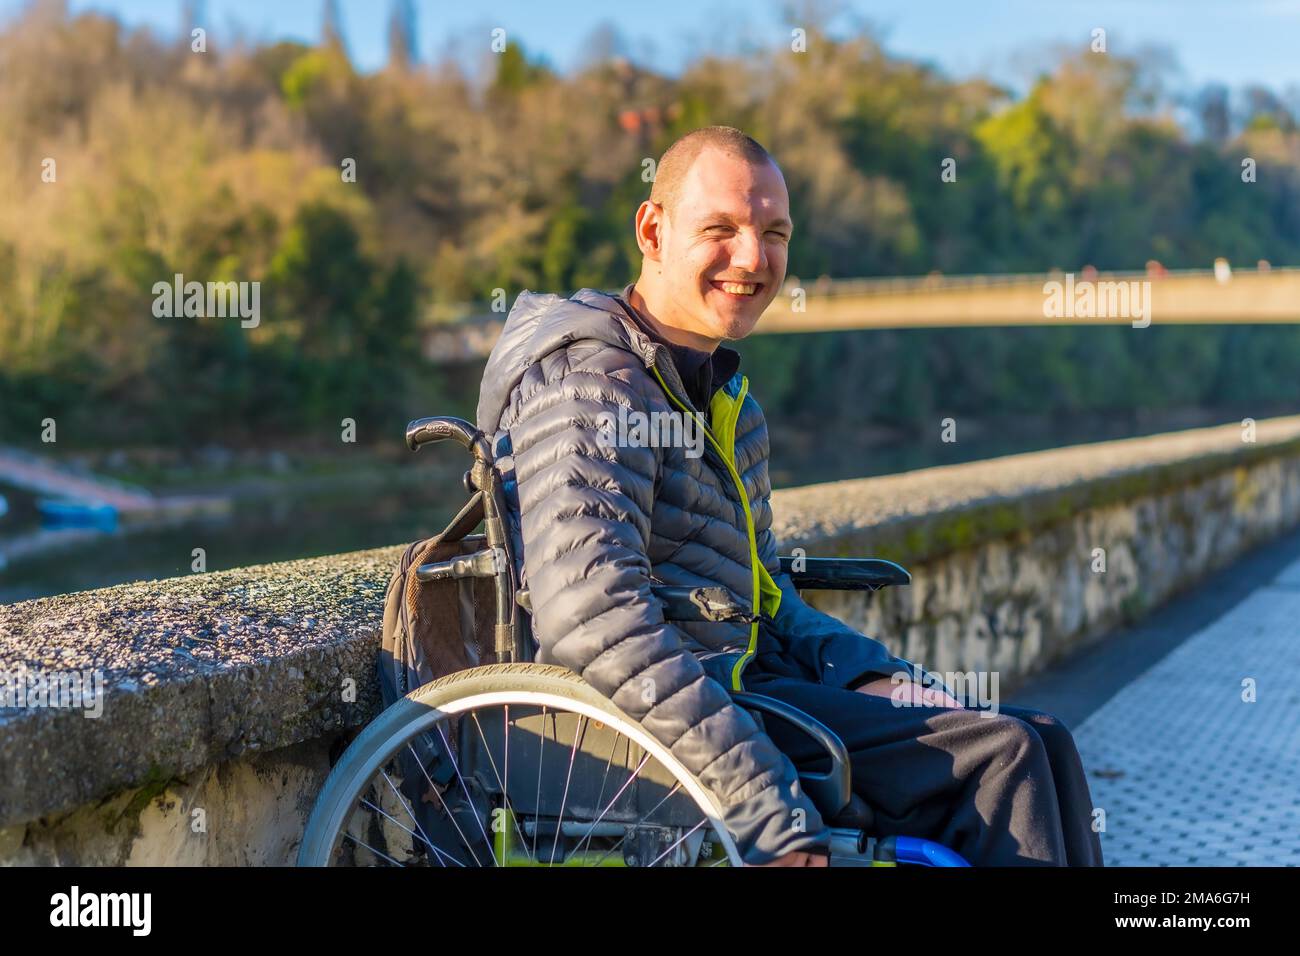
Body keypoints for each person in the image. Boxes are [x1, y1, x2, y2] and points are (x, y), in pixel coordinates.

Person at [475, 125, 1103, 867]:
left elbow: (765, 591)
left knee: (1042, 740)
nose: (753, 258)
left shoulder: (723, 398)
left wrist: (870, 672)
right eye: (722, 229)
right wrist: (763, 807)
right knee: (1002, 760)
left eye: (774, 233)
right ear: (653, 229)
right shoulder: (590, 386)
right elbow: (592, 620)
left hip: (747, 679)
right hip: (639, 724)